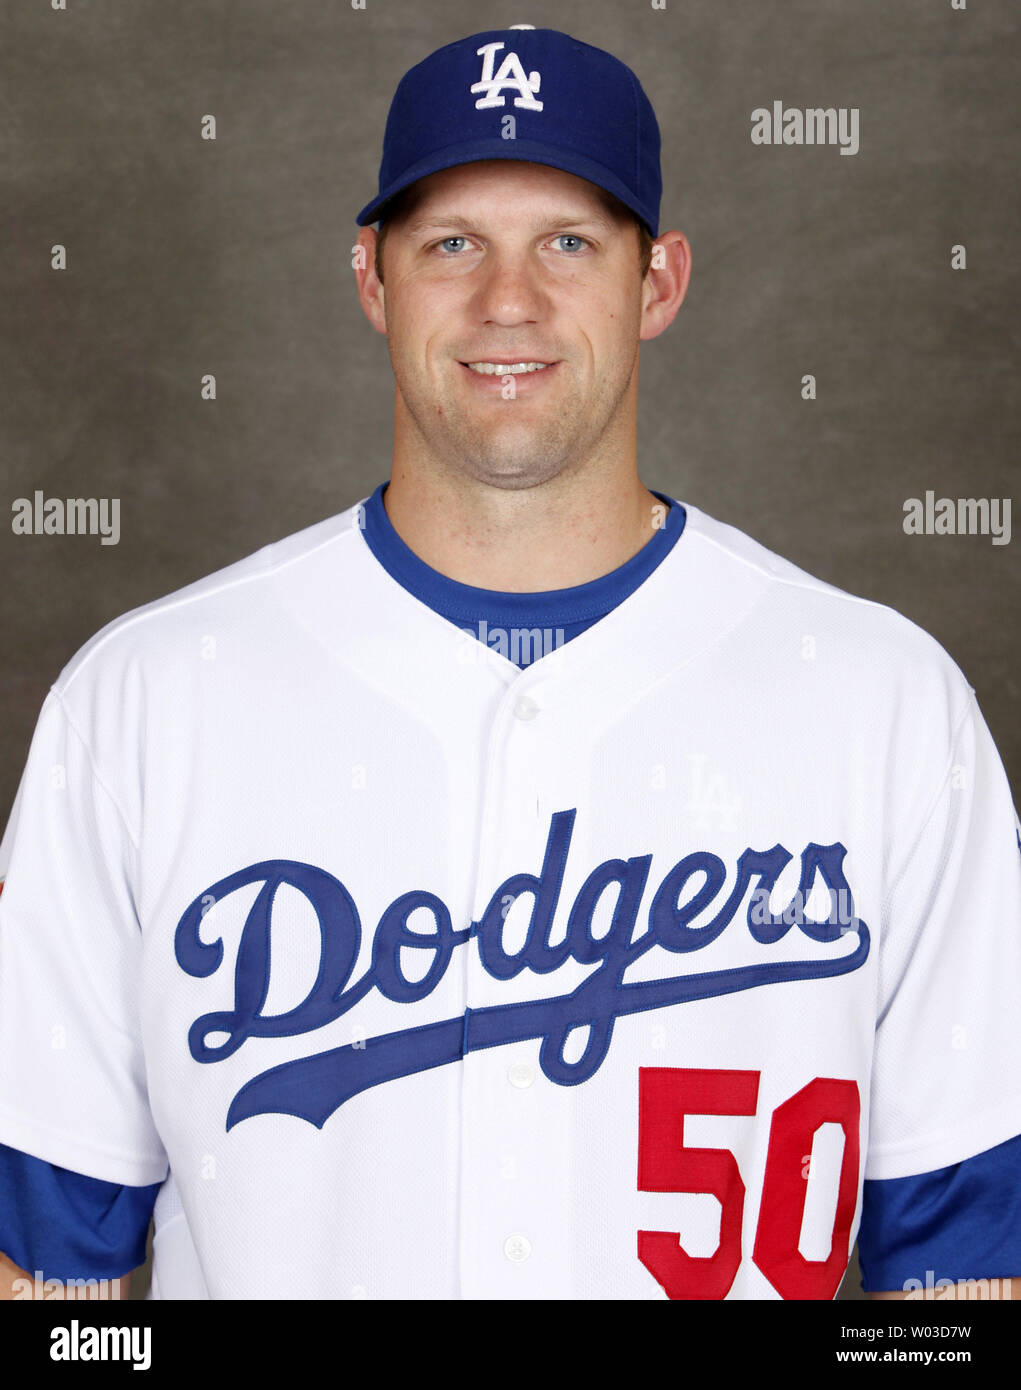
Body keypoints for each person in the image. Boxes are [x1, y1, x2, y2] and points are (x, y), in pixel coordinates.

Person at [1, 24, 1019, 1302]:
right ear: (371, 279)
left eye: (569, 243)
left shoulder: (885, 705)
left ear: (659, 283)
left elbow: (963, 1261)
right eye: (451, 244)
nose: (508, 303)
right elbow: (52, 1271)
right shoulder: (142, 703)